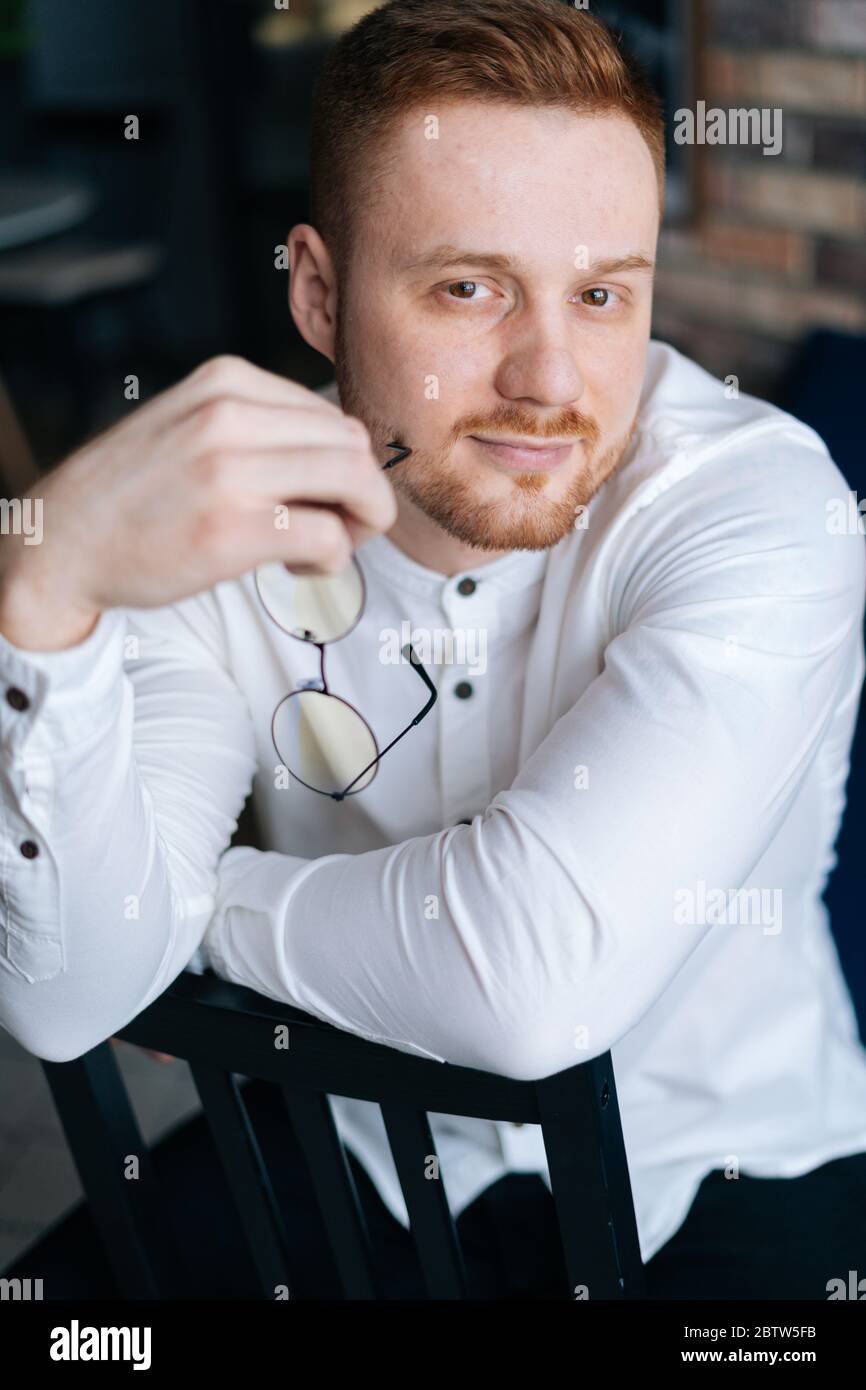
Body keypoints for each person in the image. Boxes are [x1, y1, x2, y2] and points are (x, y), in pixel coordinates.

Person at [2, 0, 866, 1301]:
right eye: (470, 288)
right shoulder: (228, 519)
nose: (550, 378)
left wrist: (198, 909)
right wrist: (43, 596)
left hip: (721, 1165)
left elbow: (530, 987)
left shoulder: (758, 503)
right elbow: (66, 996)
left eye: (600, 294)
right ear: (319, 292)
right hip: (352, 1140)